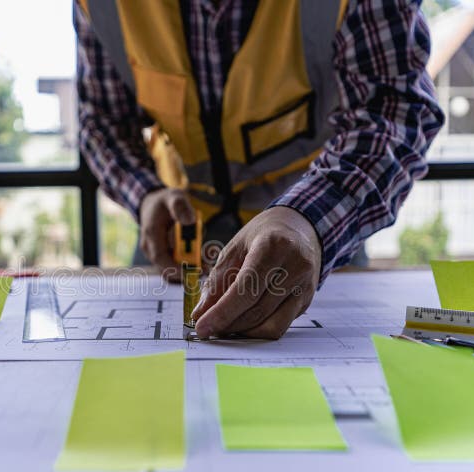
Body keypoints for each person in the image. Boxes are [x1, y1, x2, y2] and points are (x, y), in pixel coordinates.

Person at [75, 0, 445, 339]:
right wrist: (145, 194)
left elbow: (393, 113)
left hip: (315, 230)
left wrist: (308, 221)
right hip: (178, 237)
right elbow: (103, 121)